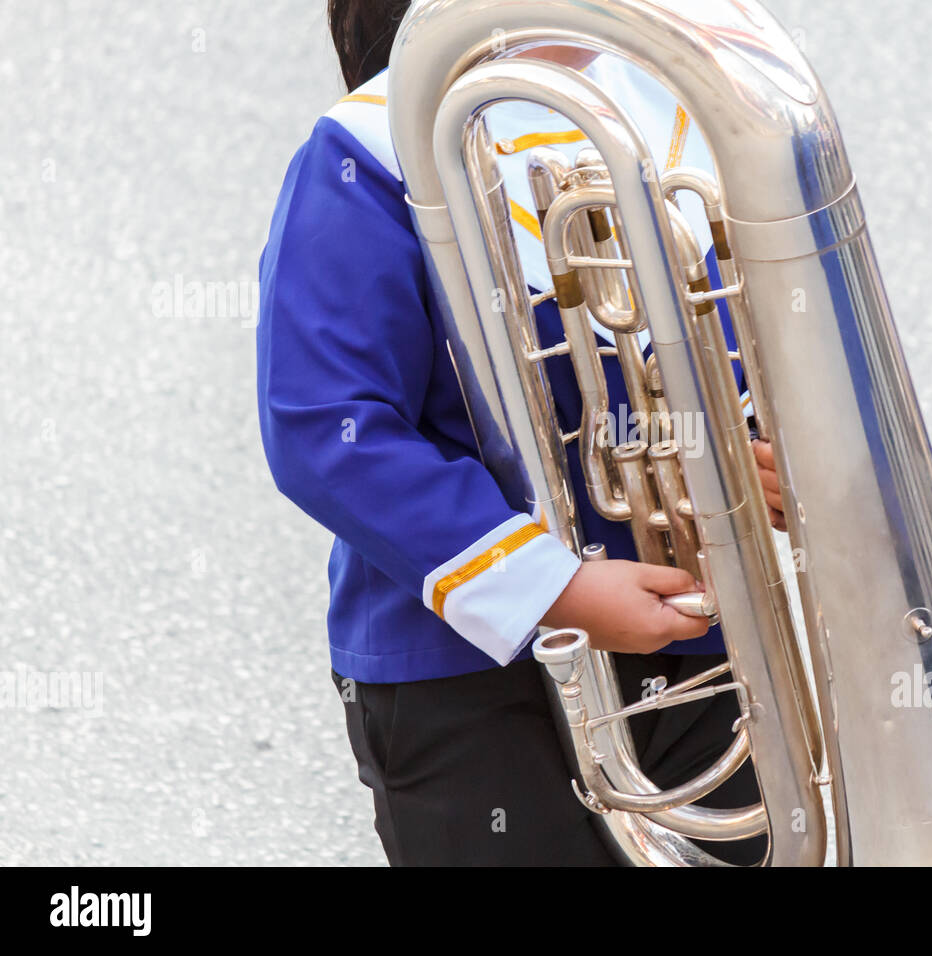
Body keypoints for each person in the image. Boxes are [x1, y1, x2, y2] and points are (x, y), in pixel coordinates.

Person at [256, 0, 784, 865]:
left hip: (700, 636)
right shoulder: (367, 149)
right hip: (455, 670)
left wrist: (771, 452)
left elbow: (753, 340)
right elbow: (326, 428)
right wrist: (553, 590)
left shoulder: (682, 110)